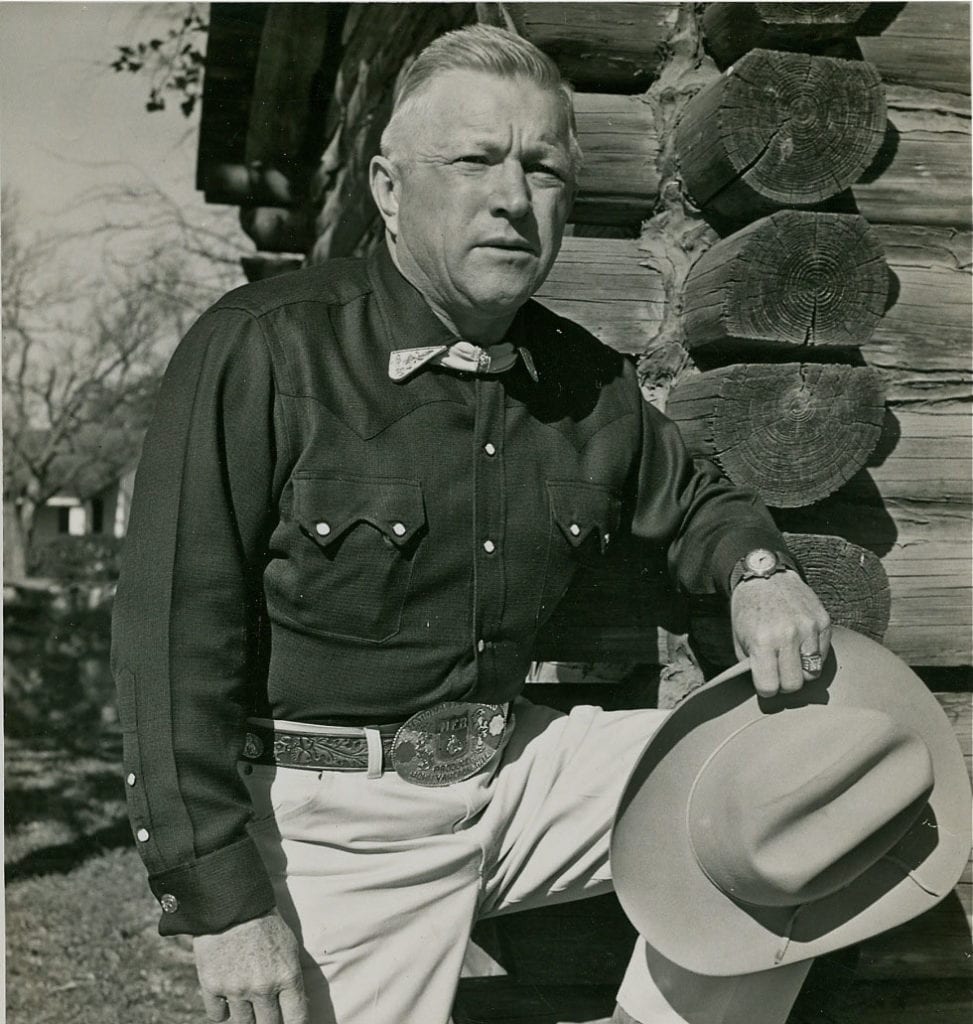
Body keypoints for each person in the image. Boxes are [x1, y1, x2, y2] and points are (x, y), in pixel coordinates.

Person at [112, 24, 832, 1024]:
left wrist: (757, 569)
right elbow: (166, 640)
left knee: (807, 776)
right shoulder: (262, 350)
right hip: (327, 823)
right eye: (473, 160)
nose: (512, 197)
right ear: (385, 186)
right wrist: (223, 903)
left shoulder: (585, 382)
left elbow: (698, 501)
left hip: (514, 773)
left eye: (542, 169)